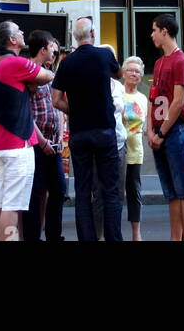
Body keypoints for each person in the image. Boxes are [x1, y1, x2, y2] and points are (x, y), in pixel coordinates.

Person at [52, 16, 122, 241]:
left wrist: (75, 110)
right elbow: (118, 73)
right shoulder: (104, 55)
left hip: (79, 133)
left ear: (75, 37)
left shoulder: (67, 63)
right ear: (93, 34)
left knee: (82, 191)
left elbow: (55, 100)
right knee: (109, 191)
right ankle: (113, 237)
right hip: (104, 130)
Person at [0, 20, 54, 241]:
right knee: (12, 207)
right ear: (12, 40)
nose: (23, 32)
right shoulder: (15, 63)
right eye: (18, 31)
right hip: (16, 144)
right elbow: (47, 76)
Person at [148, 14, 184, 241]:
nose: (152, 35)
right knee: (172, 193)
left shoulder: (181, 61)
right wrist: (150, 131)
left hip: (176, 132)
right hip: (161, 132)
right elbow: (153, 99)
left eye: (154, 30)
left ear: (165, 31)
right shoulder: (158, 63)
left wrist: (161, 132)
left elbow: (178, 102)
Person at [23, 31, 66, 243]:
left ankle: (53, 235)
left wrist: (60, 130)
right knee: (35, 192)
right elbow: (26, 113)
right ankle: (32, 237)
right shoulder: (27, 72)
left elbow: (55, 105)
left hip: (54, 143)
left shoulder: (50, 72)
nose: (55, 52)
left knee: (59, 190)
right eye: (52, 48)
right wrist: (41, 141)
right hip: (35, 144)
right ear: (43, 49)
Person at [92, 44, 127, 240]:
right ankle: (99, 236)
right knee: (99, 193)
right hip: (98, 144)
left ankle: (114, 233)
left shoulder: (119, 86)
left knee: (117, 194)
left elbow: (122, 114)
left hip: (119, 142)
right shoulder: (93, 83)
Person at [121, 56, 148, 241]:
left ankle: (136, 234)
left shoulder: (143, 98)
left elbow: (145, 125)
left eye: (137, 71)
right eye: (130, 70)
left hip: (136, 150)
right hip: (117, 149)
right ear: (123, 73)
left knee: (134, 193)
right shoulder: (117, 94)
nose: (134, 74)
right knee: (114, 193)